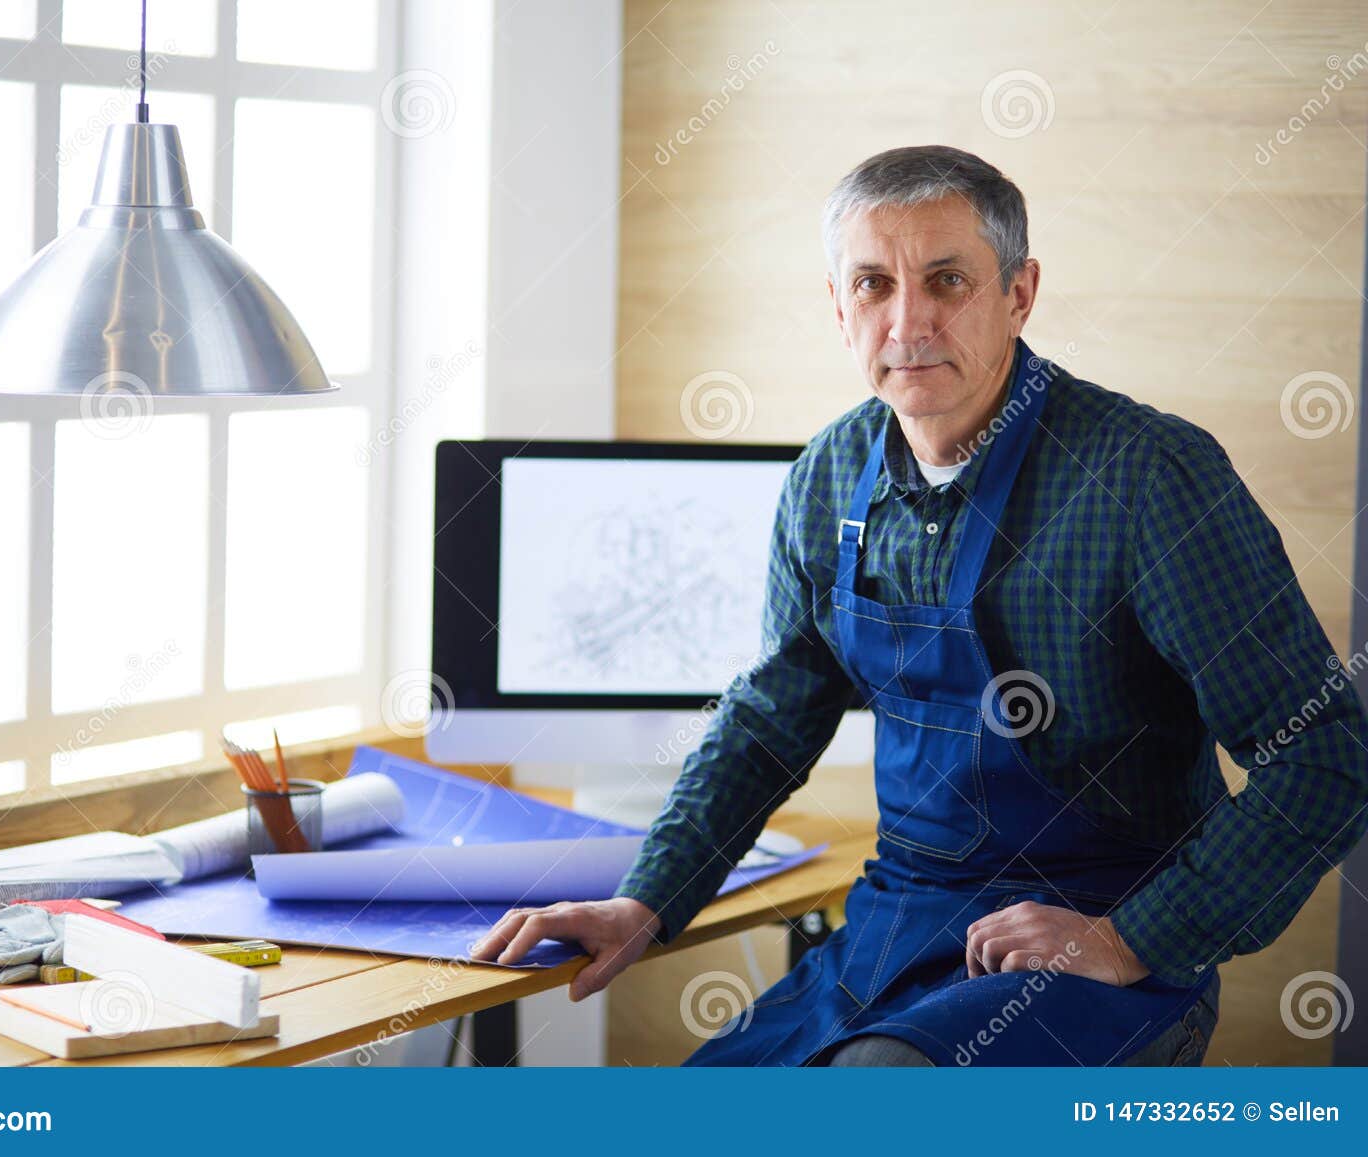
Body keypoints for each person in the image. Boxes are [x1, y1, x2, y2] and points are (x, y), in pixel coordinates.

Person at [470, 145, 1368, 1066]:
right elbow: (773, 720)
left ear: (1020, 293)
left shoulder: (1149, 478)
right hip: (894, 933)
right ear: (836, 305)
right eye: (872, 285)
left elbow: (1327, 756)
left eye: (947, 281)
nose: (908, 322)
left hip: (1101, 957)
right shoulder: (826, 476)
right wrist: (647, 897)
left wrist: (1129, 938)